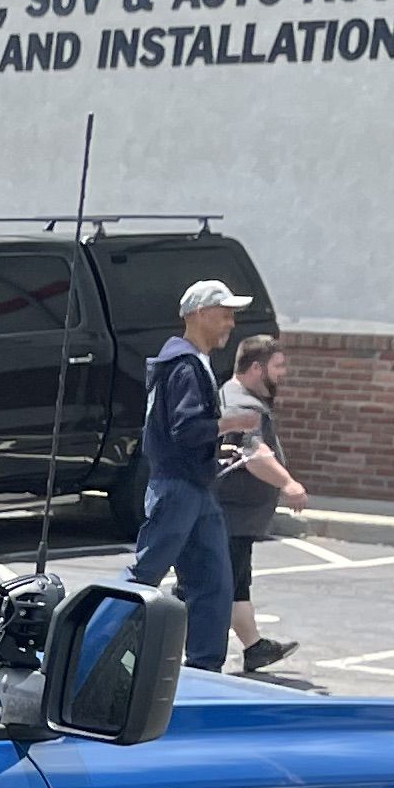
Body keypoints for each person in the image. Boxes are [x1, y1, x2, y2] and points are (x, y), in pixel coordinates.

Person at [126, 277, 244, 670]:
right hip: (179, 488)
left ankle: (206, 667)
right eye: (224, 314)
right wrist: (228, 424)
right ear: (198, 314)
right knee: (145, 573)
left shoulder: (190, 363)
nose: (230, 323)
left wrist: (216, 447)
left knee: (213, 581)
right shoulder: (185, 366)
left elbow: (181, 432)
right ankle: (92, 643)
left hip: (193, 485)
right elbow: (187, 427)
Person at [214, 332, 307, 674]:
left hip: (236, 518)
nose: (283, 373)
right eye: (278, 366)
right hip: (230, 517)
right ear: (257, 368)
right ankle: (187, 653)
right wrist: (289, 484)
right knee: (209, 586)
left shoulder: (236, 396)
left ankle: (254, 648)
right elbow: (255, 454)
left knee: (236, 584)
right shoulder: (242, 405)